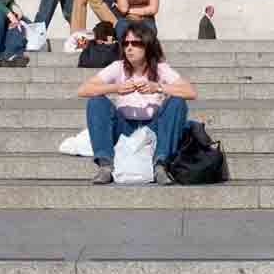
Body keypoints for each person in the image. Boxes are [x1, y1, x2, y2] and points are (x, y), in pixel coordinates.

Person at [78, 20, 197, 186]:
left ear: (147, 46)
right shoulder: (117, 67)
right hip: (124, 127)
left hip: (153, 127)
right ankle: (105, 165)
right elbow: (83, 89)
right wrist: (116, 87)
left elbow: (191, 92)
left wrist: (158, 87)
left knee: (177, 102)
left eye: (135, 43)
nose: (129, 47)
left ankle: (161, 164)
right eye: (126, 43)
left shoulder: (161, 69)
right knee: (96, 101)